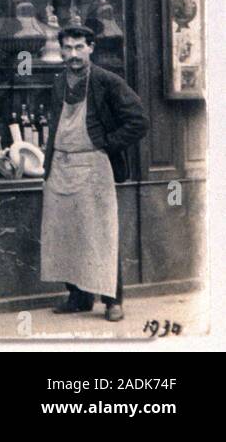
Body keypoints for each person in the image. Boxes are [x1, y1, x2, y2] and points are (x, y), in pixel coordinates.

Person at [41, 24, 149, 322]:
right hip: (61, 167)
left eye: (79, 47)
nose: (73, 54)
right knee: (66, 235)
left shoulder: (107, 82)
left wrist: (107, 144)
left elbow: (139, 121)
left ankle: (113, 301)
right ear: (61, 50)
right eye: (67, 48)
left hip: (93, 168)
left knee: (100, 235)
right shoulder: (58, 82)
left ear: (91, 48)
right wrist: (47, 165)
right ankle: (78, 297)